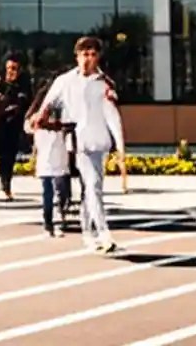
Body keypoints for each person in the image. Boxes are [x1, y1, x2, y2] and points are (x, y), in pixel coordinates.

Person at [37, 36, 126, 253]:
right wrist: (46, 120)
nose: (89, 58)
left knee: (91, 189)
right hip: (79, 142)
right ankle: (104, 233)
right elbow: (45, 106)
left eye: (93, 54)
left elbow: (113, 116)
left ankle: (88, 233)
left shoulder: (104, 83)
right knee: (93, 186)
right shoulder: (65, 81)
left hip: (100, 142)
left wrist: (121, 146)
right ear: (77, 56)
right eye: (85, 54)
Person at [24, 87, 69, 237]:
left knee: (60, 190)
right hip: (45, 157)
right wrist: (37, 121)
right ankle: (49, 222)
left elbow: (70, 123)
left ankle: (59, 217)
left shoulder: (64, 109)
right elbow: (28, 124)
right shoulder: (38, 115)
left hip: (60, 156)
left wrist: (58, 125)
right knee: (48, 192)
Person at [0, 54, 32, 200]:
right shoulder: (0, 82)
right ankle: (3, 180)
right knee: (0, 154)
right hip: (0, 124)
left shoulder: (23, 84)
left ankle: (6, 182)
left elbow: (25, 101)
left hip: (15, 125)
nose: (11, 71)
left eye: (14, 68)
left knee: (10, 155)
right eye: (8, 68)